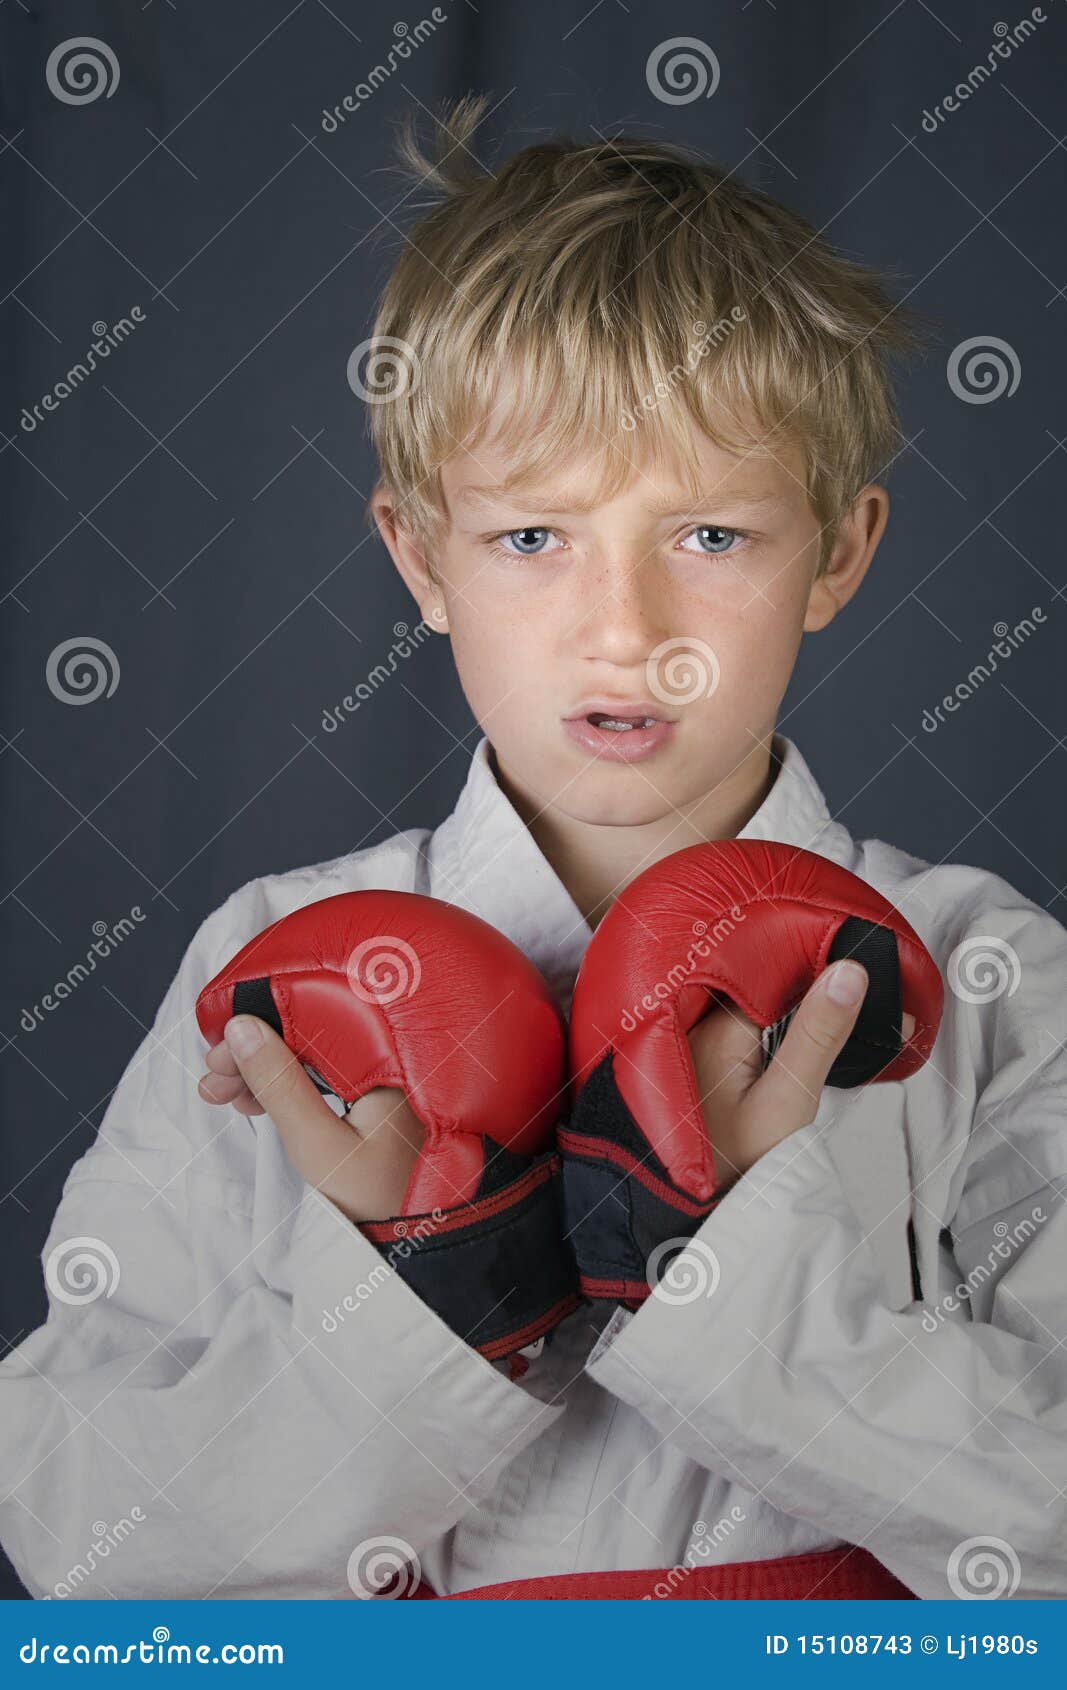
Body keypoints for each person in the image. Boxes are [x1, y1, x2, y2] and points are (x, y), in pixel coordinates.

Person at [2, 95, 1064, 1602]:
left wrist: (732, 1260)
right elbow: (75, 1537)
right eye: (529, 539)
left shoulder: (986, 977)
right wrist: (418, 1287)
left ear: (839, 551)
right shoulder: (278, 972)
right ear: (420, 557)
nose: (625, 630)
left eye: (711, 536)